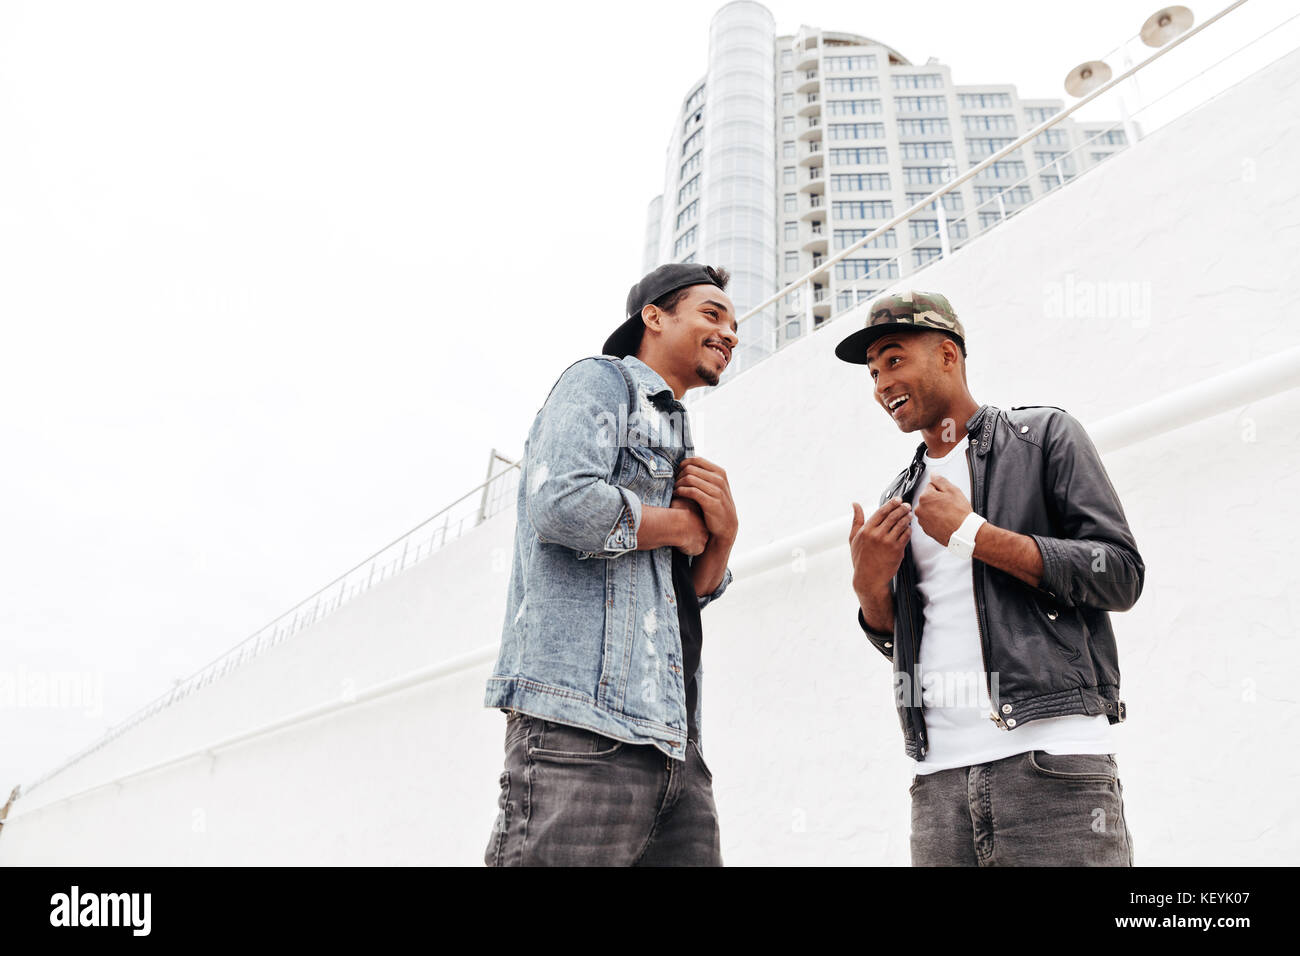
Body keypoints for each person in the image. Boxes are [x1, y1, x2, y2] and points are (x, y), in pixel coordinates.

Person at [836, 290, 1144, 866]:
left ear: (948, 354)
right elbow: (901, 643)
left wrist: (973, 534)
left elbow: (1120, 574)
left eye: (894, 359)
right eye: (873, 372)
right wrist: (869, 588)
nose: (881, 383)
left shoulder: (1044, 437)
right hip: (936, 785)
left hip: (1052, 765)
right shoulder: (896, 498)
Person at [483, 263, 740, 866]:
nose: (730, 332)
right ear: (653, 316)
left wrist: (722, 538)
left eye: (734, 323)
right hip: (582, 731)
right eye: (712, 314)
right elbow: (562, 501)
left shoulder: (678, 431)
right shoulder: (601, 382)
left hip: (676, 746)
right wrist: (683, 525)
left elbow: (685, 592)